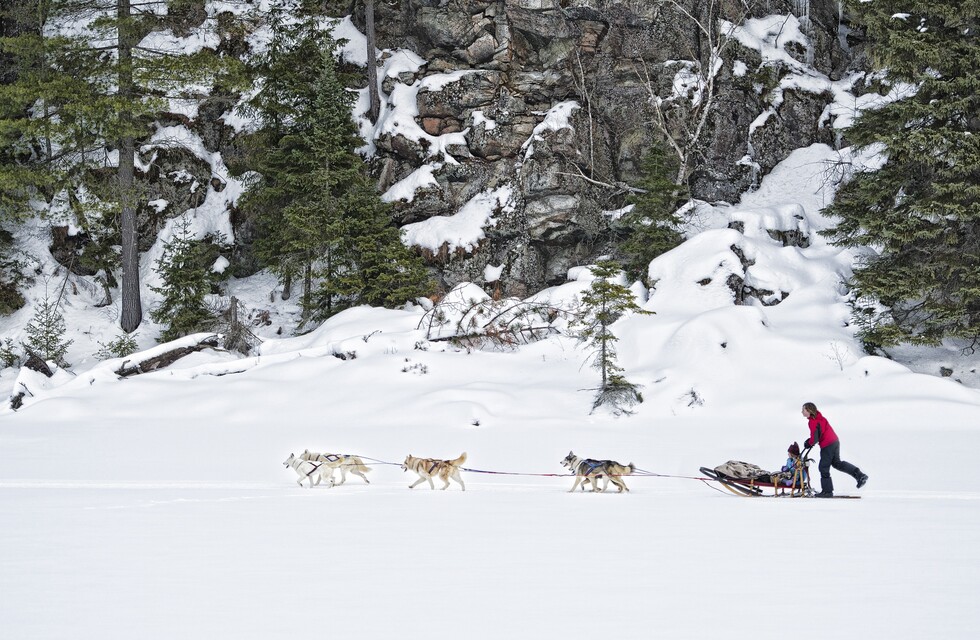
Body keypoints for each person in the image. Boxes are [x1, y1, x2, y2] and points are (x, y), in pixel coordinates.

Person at [801, 402, 868, 497]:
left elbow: (815, 438)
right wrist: (810, 441)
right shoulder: (820, 418)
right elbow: (818, 434)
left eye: (803, 409)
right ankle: (860, 475)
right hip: (835, 441)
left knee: (823, 467)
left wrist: (809, 442)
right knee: (837, 463)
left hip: (827, 444)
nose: (802, 412)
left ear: (809, 410)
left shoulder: (813, 421)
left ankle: (827, 492)